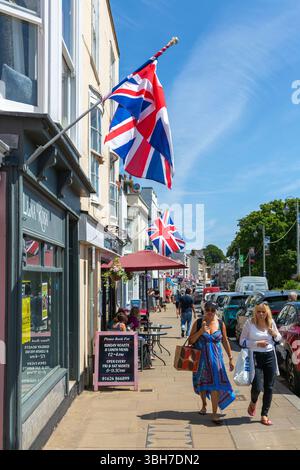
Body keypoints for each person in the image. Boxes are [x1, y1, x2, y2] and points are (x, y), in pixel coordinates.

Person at [188, 301, 235, 425]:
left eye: (212, 310)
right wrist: (200, 332)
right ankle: (204, 404)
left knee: (215, 385)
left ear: (216, 311)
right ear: (204, 310)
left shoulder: (220, 323)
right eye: (207, 309)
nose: (209, 312)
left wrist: (230, 357)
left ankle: (214, 414)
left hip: (216, 360)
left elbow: (225, 341)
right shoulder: (198, 323)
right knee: (202, 383)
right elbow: (190, 340)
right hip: (200, 359)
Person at [240, 302, 282, 426]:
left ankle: (264, 414)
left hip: (270, 356)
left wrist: (274, 334)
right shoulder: (250, 323)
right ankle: (253, 402)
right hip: (255, 356)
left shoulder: (271, 323)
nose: (261, 314)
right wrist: (256, 344)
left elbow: (279, 338)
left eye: (263, 311)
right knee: (257, 387)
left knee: (269, 387)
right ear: (255, 312)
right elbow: (242, 341)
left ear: (267, 312)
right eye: (259, 311)